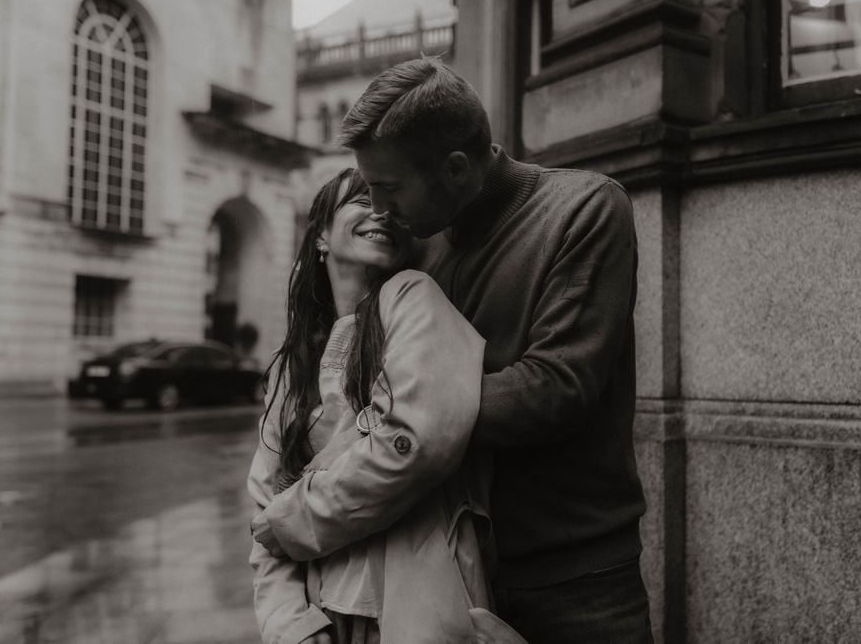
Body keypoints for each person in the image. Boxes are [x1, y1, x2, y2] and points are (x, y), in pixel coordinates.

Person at [255, 58, 653, 643]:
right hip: (455, 568)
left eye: (388, 188)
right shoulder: (420, 245)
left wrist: (399, 419)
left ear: (457, 168)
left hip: (575, 573)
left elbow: (556, 388)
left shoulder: (584, 209)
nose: (381, 210)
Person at [247, 169, 522, 644]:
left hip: (412, 605)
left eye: (392, 205)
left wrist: (292, 519)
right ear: (320, 236)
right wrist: (290, 623)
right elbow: (262, 507)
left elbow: (415, 443)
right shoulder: (291, 366)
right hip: (321, 616)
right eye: (359, 200)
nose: (380, 211)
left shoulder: (412, 296)